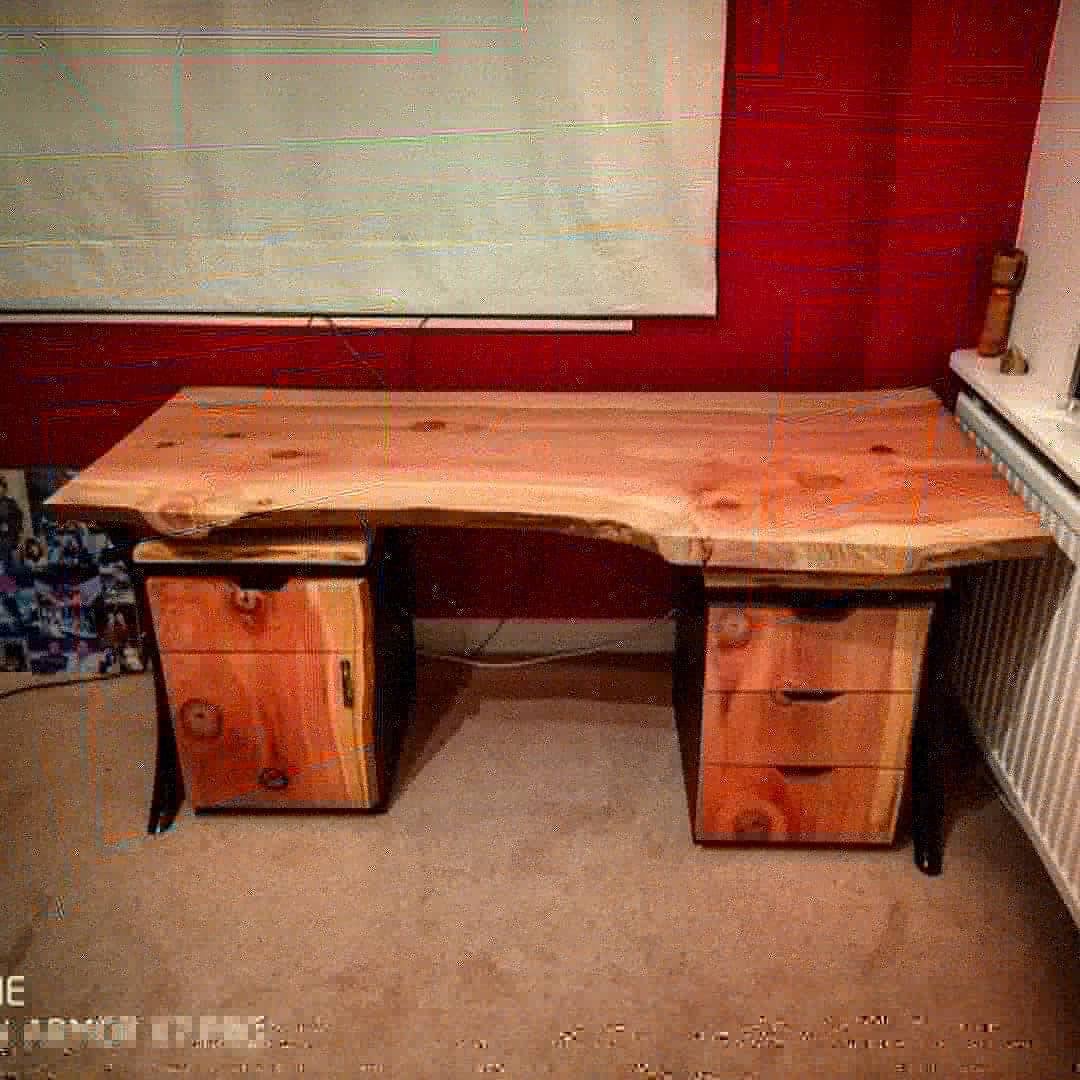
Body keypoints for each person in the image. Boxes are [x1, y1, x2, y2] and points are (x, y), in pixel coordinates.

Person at [0, 475, 26, 568]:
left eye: (1, 487)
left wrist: (19, 533)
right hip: (4, 540)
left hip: (11, 539)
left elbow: (19, 517)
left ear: (4, 489)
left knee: (15, 565)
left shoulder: (10, 502)